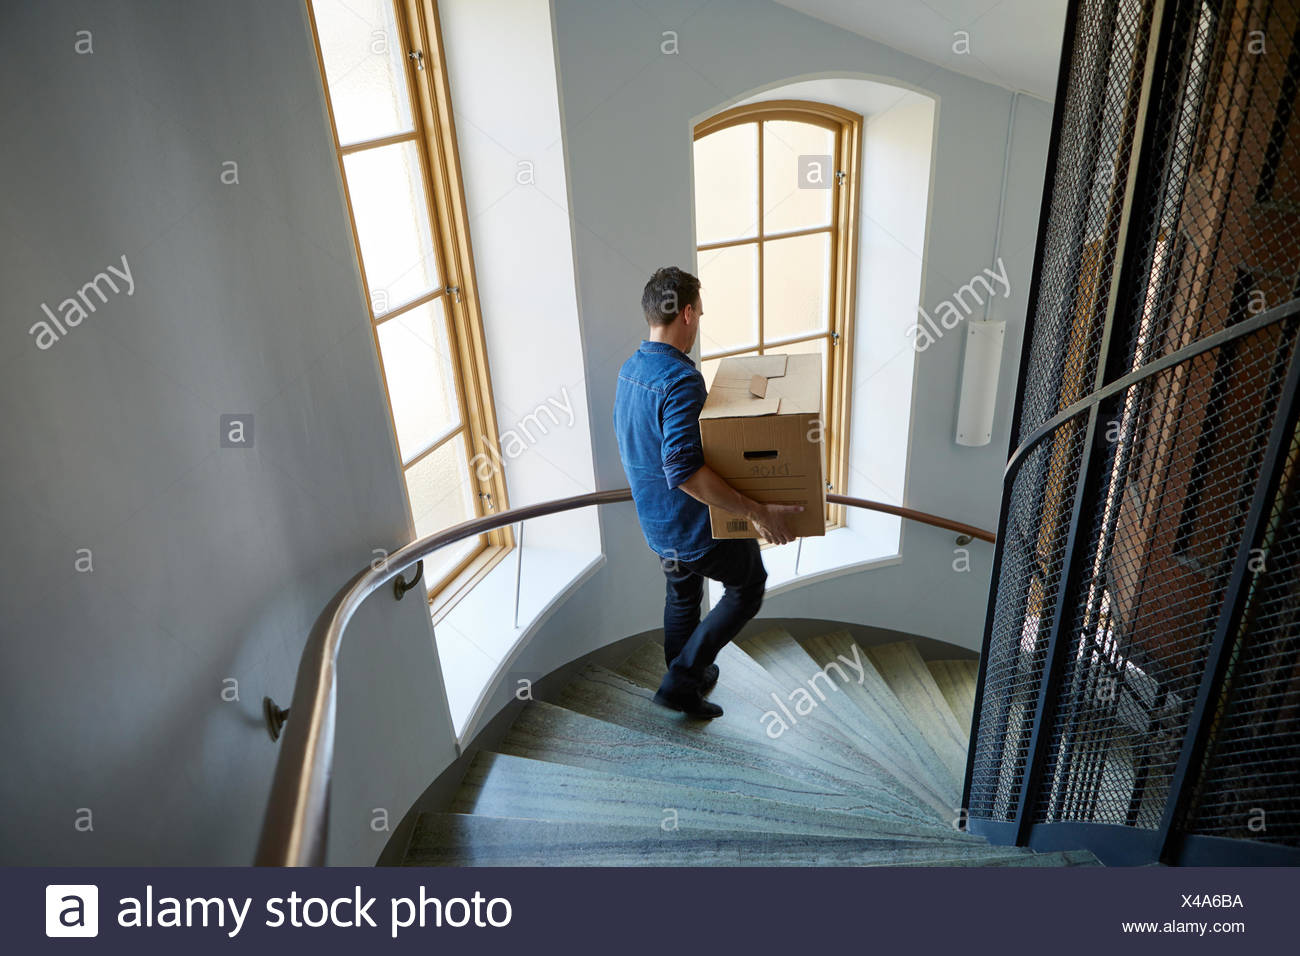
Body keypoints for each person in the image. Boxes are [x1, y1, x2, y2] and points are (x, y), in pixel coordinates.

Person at [613, 267, 802, 719]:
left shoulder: (631, 369)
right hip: (692, 526)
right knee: (748, 587)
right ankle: (681, 682)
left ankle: (685, 677)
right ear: (688, 313)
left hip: (656, 524)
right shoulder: (680, 380)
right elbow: (684, 471)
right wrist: (758, 512)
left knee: (682, 595)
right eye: (700, 313)